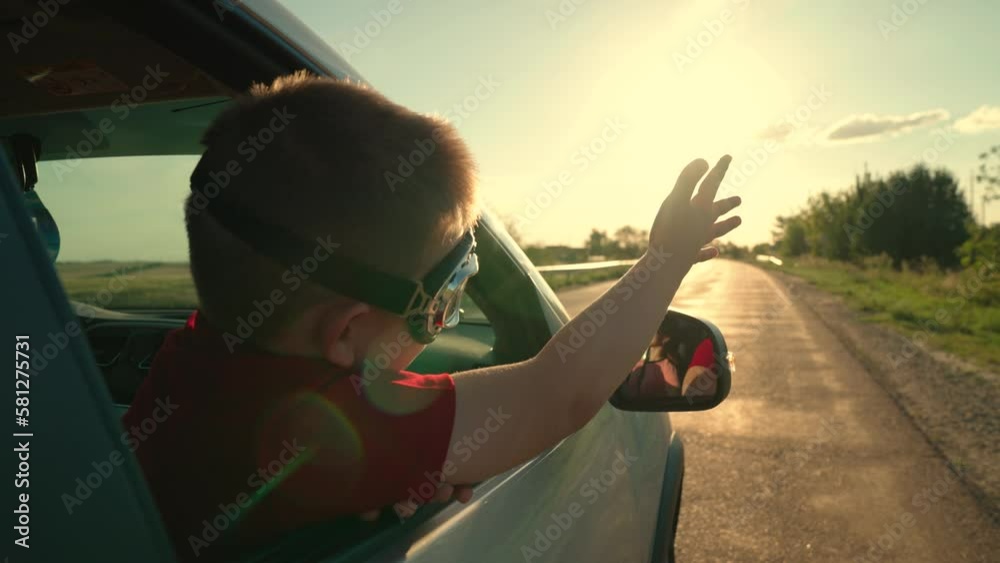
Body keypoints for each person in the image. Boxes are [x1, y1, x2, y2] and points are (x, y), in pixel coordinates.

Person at [122, 72, 742, 558]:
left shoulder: (188, 362)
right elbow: (559, 393)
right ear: (346, 330)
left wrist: (387, 474)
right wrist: (665, 260)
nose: (449, 318)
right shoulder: (333, 427)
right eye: (444, 297)